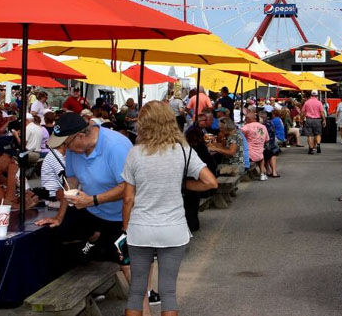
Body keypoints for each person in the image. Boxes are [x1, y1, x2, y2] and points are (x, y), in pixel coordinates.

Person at [121, 101, 217, 316]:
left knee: (136, 292)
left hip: (141, 228)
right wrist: (185, 184)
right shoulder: (183, 151)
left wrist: (126, 227)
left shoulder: (135, 153)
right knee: (169, 292)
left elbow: (128, 198)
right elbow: (211, 182)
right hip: (173, 229)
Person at [37, 112, 132, 274]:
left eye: (66, 144)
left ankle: (144, 295)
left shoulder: (115, 147)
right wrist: (59, 218)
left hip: (123, 214)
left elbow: (129, 188)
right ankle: (93, 243)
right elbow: (71, 182)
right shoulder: (75, 150)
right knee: (56, 235)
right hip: (94, 211)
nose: (65, 149)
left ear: (80, 136)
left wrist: (92, 200)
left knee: (124, 259)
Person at [241, 110, 269, 181]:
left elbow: (239, 135)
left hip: (249, 154)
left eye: (246, 118)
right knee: (261, 157)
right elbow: (266, 139)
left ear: (248, 119)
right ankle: (262, 174)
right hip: (259, 153)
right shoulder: (262, 127)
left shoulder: (246, 127)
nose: (245, 119)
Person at [301, 90, 326, 155]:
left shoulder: (306, 102)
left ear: (311, 95)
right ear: (317, 95)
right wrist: (324, 120)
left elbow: (303, 112)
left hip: (309, 119)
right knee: (318, 134)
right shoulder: (319, 102)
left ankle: (311, 149)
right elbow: (322, 112)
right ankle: (318, 145)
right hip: (317, 120)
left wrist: (301, 119)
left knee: (309, 135)